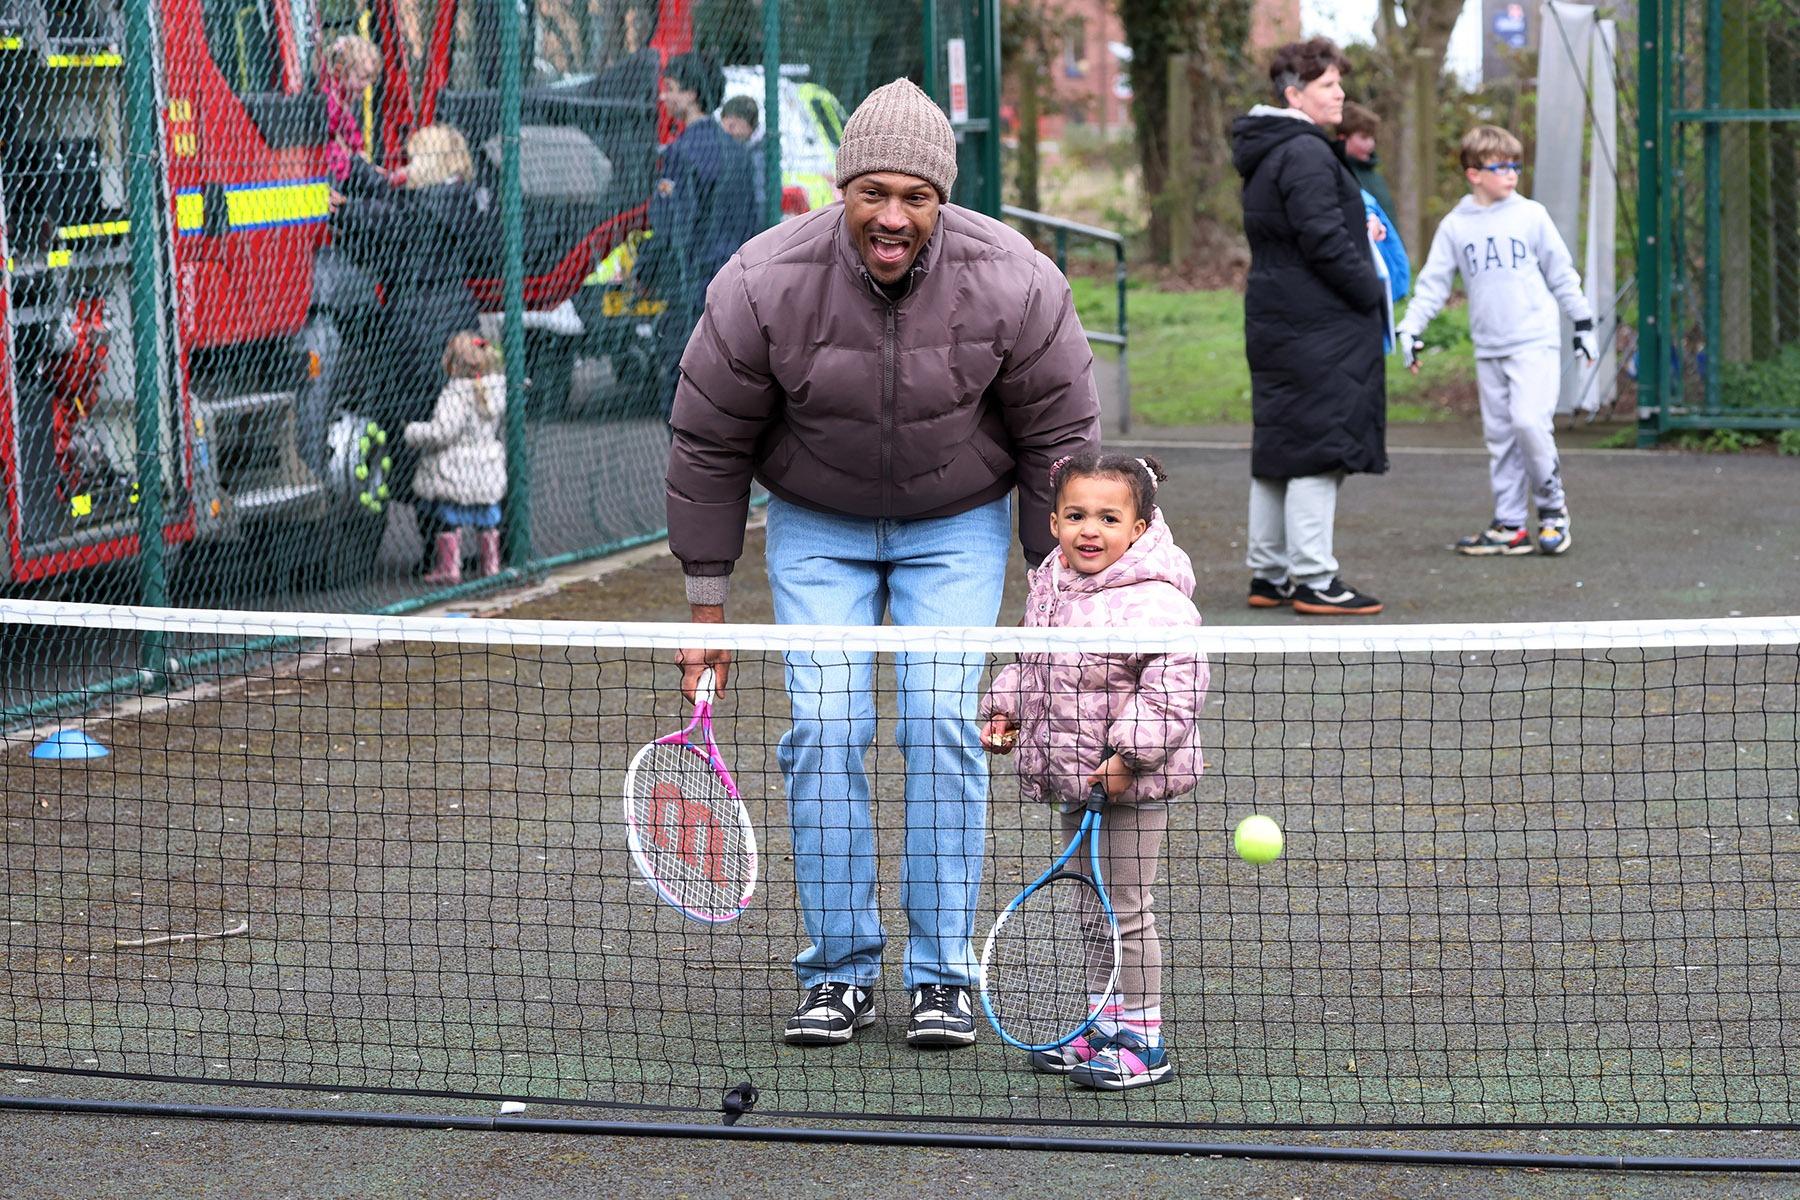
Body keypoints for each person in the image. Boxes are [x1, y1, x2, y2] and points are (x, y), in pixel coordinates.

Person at [666, 77, 1100, 1051]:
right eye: (873, 194)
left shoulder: (1017, 280)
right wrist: (704, 607)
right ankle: (839, 972)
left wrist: (1057, 611)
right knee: (825, 727)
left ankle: (943, 975)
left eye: (915, 196)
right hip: (817, 520)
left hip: (958, 520)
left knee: (945, 720)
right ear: (842, 189)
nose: (893, 217)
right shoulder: (762, 279)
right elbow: (706, 441)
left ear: (943, 199)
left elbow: (1061, 443)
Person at [978, 453, 1207, 1091]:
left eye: (1109, 517)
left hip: (1133, 787)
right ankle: (1102, 1023)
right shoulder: (1050, 586)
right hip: (1075, 778)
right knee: (1089, 905)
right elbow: (1032, 664)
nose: (1090, 530)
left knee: (1126, 907)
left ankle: (1144, 1038)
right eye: (1076, 515)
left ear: (1138, 528)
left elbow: (1176, 690)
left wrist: (1128, 758)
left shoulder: (1158, 603)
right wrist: (1006, 710)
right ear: (1053, 523)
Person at [1231, 37, 1389, 617]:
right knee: (1319, 448)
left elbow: (1308, 227)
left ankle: (1269, 573)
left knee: (1281, 445)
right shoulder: (1304, 152)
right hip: (1316, 322)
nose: (1341, 92)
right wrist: (1368, 290)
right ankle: (1315, 579)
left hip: (1279, 315)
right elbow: (1321, 238)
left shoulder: (1273, 150)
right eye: (1328, 85)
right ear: (1295, 94)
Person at [1396, 125, 1595, 557]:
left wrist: (1582, 321)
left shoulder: (1531, 216)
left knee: (1529, 424)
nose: (1510, 174)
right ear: (1473, 174)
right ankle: (1510, 524)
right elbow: (1432, 285)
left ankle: (1553, 512)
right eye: (1499, 166)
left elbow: (1561, 272)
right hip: (1490, 345)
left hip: (1534, 341)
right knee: (1501, 437)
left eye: (1515, 166)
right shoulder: (1455, 225)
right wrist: (1410, 328)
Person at [331, 123, 494, 566]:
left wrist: (343, 210)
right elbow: (393, 198)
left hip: (418, 327)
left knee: (417, 435)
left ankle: (437, 547)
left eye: (414, 157)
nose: (406, 166)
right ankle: (474, 542)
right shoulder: (463, 198)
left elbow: (387, 221)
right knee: (461, 434)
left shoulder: (424, 206)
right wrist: (362, 171)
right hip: (456, 315)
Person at [632, 52, 760, 420]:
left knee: (682, 395)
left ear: (690, 95)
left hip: (691, 293)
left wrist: (644, 273)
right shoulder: (738, 153)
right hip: (734, 292)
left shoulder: (682, 153)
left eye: (669, 89)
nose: (663, 98)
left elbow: (669, 226)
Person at [406, 332, 508, 583]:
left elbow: (443, 432)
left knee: (449, 517)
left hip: (456, 467)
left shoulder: (455, 395)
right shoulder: (494, 389)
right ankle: (490, 564)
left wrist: (413, 432)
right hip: (486, 466)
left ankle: (449, 567)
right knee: (487, 518)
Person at [1335, 102, 1397, 240]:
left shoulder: (1375, 176)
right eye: (1364, 137)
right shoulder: (1337, 172)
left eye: (1372, 137)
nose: (1371, 143)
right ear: (1342, 138)